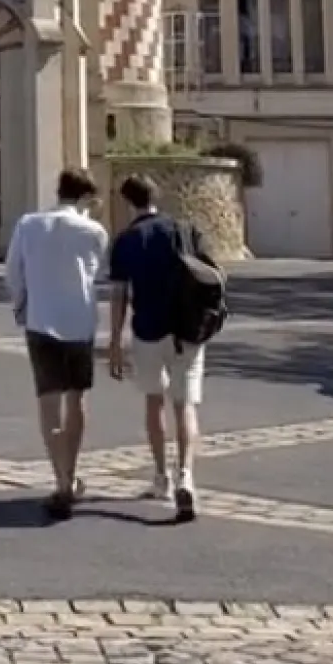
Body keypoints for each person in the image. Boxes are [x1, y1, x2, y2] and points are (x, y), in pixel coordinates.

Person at [3, 168, 110, 521]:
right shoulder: (93, 231)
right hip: (79, 321)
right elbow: (98, 273)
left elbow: (13, 272)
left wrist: (21, 303)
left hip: (41, 319)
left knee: (48, 403)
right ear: (85, 197)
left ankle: (61, 479)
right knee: (76, 400)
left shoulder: (29, 224)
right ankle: (71, 469)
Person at [107, 173, 212, 523]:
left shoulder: (126, 241)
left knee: (154, 402)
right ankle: (186, 475)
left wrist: (115, 341)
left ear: (128, 202)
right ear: (157, 197)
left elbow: (119, 295)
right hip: (187, 328)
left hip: (148, 330)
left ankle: (160, 476)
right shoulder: (185, 230)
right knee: (185, 405)